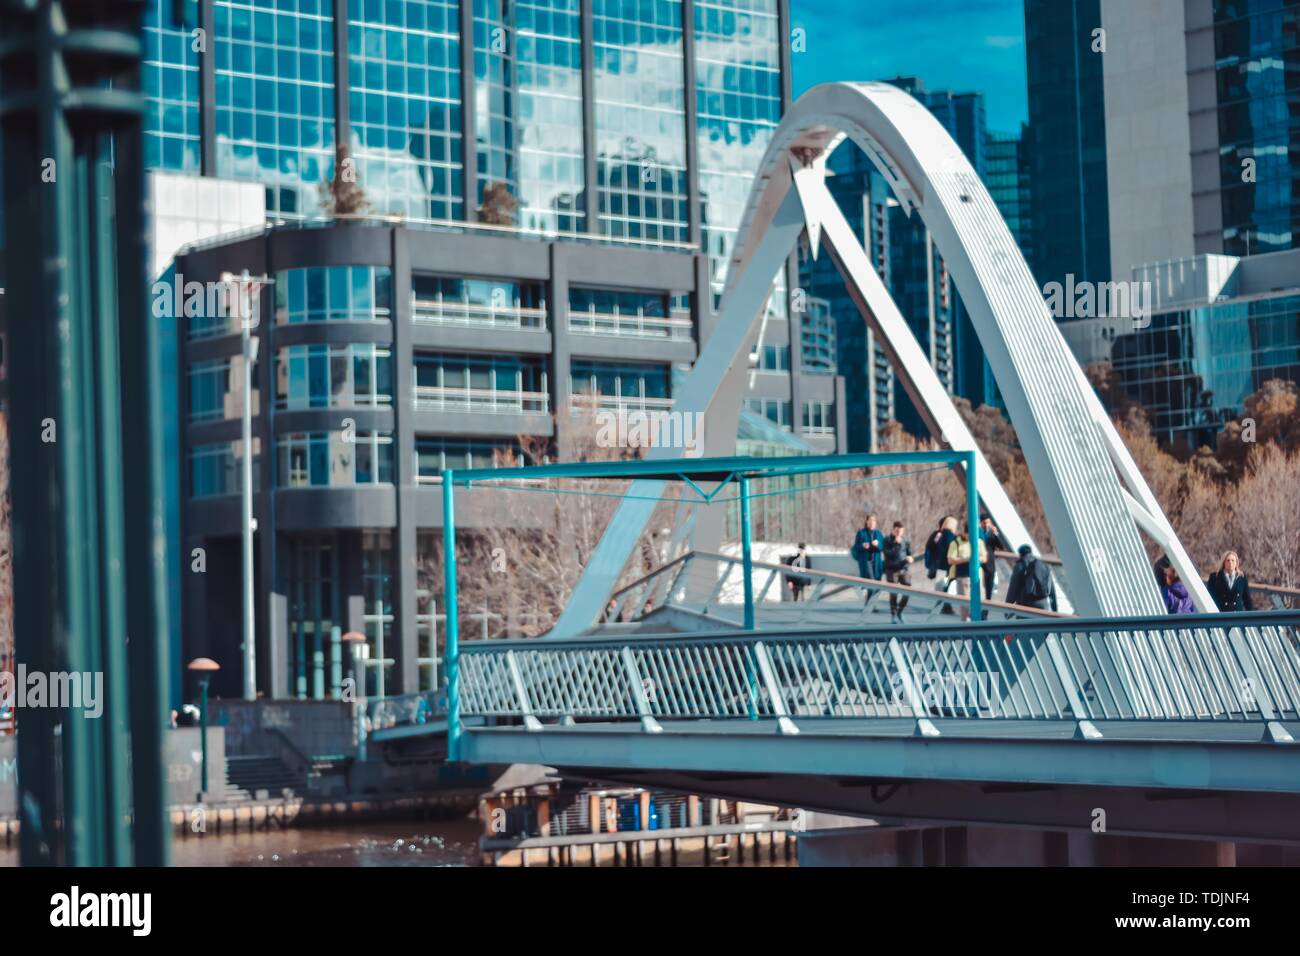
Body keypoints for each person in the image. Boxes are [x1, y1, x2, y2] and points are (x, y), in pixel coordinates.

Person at [946, 523, 988, 621]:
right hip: (963, 576)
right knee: (965, 604)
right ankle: (966, 626)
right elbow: (950, 560)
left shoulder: (979, 542)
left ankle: (977, 625)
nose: (971, 537)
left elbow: (985, 557)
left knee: (980, 600)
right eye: (969, 535)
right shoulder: (956, 543)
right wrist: (966, 559)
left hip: (977, 576)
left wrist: (978, 559)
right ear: (965, 533)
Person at [1005, 544, 1058, 612]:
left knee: (1024, 622)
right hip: (1044, 605)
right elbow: (1051, 588)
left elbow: (1013, 589)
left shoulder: (1020, 566)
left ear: (1020, 554)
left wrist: (1007, 608)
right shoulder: (1043, 565)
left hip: (1026, 606)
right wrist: (1054, 608)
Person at [924, 516, 959, 614]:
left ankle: (940, 606)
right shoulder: (954, 537)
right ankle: (945, 607)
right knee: (947, 587)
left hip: (939, 565)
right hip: (950, 565)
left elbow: (930, 546)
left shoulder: (938, 534)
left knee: (940, 587)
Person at [882, 522, 914, 623]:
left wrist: (910, 558)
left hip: (903, 569)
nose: (899, 533)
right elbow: (888, 554)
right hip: (891, 570)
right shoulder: (887, 540)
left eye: (901, 531)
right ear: (893, 530)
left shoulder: (905, 540)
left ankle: (900, 610)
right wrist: (896, 544)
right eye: (897, 531)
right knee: (893, 592)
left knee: (908, 590)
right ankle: (893, 615)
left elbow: (909, 553)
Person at [977, 514, 1007, 606]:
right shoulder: (977, 532)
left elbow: (1002, 547)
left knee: (989, 590)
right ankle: (978, 608)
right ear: (981, 523)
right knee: (979, 588)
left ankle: (985, 611)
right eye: (984, 523)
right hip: (979, 565)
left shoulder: (992, 534)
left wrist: (996, 534)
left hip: (990, 566)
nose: (986, 525)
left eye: (988, 523)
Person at [851, 513, 885, 582]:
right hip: (865, 562)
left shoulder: (879, 533)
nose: (872, 522)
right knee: (868, 583)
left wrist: (878, 544)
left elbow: (883, 547)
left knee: (876, 584)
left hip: (876, 563)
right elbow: (855, 547)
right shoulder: (861, 532)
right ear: (866, 521)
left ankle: (871, 592)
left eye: (874, 520)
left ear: (875, 522)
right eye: (870, 520)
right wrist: (863, 545)